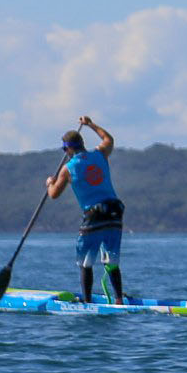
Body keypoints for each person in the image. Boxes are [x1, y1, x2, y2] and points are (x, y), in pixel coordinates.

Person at [46, 116, 126, 305]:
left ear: (69, 149)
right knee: (111, 261)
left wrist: (50, 183)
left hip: (94, 216)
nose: (65, 153)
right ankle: (119, 300)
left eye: (65, 149)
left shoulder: (68, 168)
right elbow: (109, 139)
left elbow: (54, 194)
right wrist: (90, 125)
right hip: (114, 212)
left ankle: (87, 302)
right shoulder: (100, 154)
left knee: (85, 262)